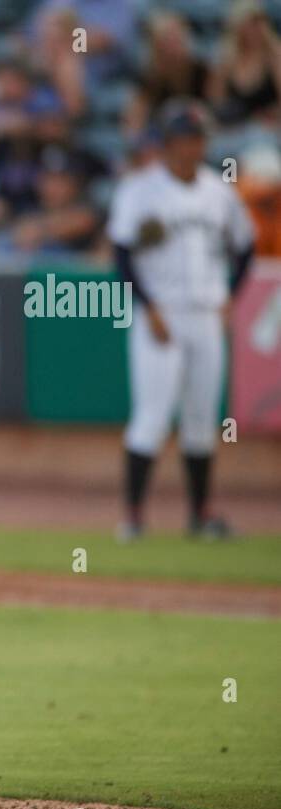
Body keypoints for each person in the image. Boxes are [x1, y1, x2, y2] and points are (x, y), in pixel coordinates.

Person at [107, 101, 256, 541]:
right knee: (152, 417)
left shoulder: (219, 190)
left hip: (207, 313)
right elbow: (121, 253)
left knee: (201, 418)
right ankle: (133, 517)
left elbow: (244, 246)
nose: (194, 146)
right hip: (162, 314)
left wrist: (231, 296)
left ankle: (201, 514)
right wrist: (147, 306)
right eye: (186, 138)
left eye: (199, 138)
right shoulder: (140, 189)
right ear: (168, 143)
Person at [207, 0, 281, 127]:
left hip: (269, 129)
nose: (254, 30)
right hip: (234, 129)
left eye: (258, 23)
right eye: (249, 24)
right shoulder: (226, 60)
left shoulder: (275, 57)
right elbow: (215, 102)